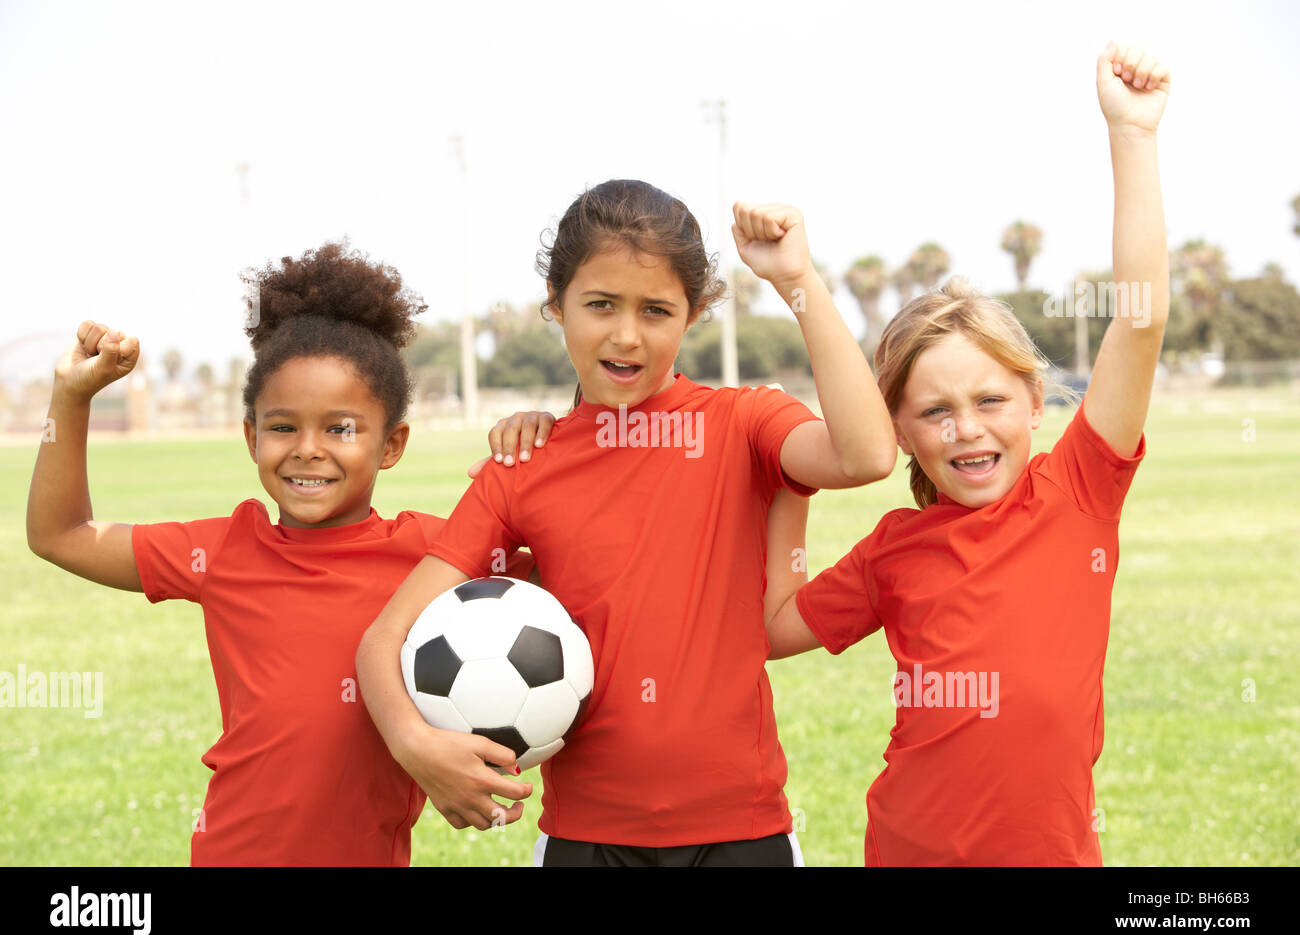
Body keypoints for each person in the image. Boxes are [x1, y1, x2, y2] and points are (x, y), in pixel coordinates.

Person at [355, 179, 897, 865]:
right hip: (586, 840)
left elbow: (867, 454)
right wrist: (415, 746)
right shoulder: (523, 465)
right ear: (556, 305)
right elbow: (385, 641)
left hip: (742, 831)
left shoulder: (742, 424)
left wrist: (798, 281)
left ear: (693, 313)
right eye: (600, 304)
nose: (626, 335)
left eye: (657, 310)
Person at [764, 43, 1172, 865]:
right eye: (935, 412)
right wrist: (789, 480)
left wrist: (1132, 135)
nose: (968, 430)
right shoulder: (893, 551)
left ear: (1032, 402)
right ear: (903, 432)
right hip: (909, 848)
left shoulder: (1081, 489)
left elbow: (1138, 320)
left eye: (989, 401)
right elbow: (772, 629)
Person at [25, 241, 542, 865]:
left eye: (340, 428)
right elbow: (61, 533)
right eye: (283, 426)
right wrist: (72, 397)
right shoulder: (220, 551)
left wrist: (537, 452)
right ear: (251, 436)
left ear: (392, 443)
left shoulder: (437, 554)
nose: (308, 448)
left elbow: (566, 563)